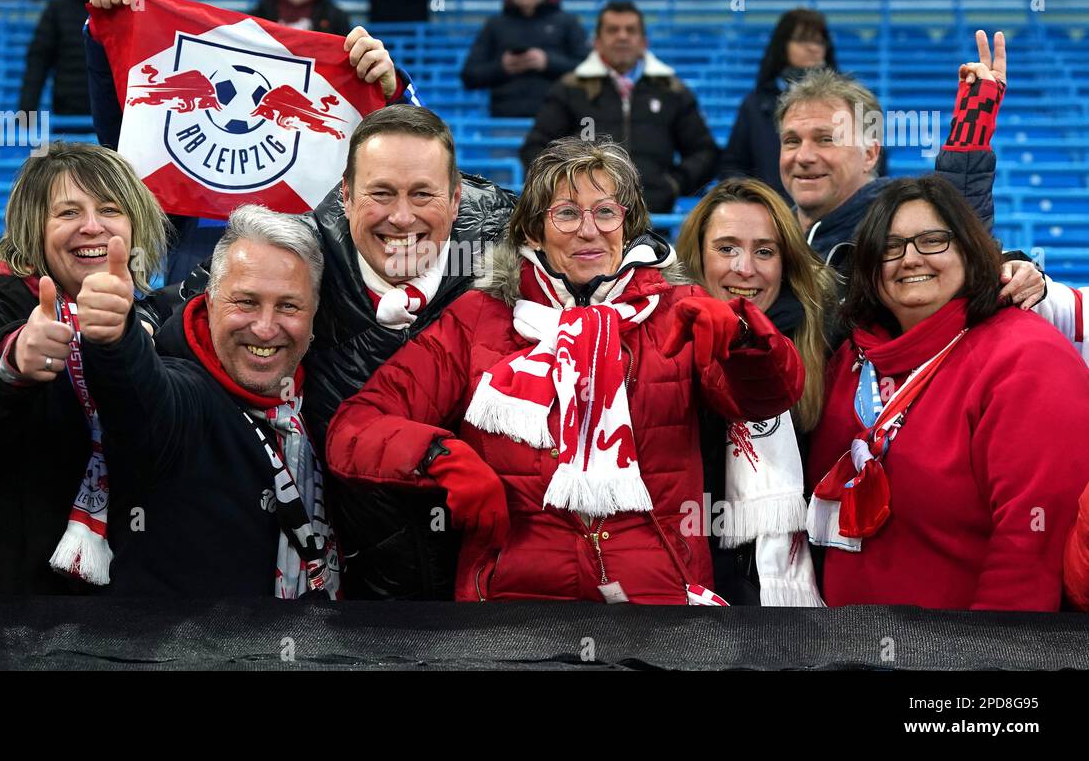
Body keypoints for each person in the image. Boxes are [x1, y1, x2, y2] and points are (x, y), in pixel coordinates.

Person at [326, 138, 805, 604]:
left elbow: (767, 398)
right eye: (567, 213)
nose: (589, 230)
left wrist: (747, 340)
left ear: (627, 224)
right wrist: (439, 457)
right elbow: (354, 428)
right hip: (512, 602)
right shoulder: (477, 319)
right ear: (534, 230)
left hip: (658, 598)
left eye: (606, 212)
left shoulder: (680, 310)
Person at [153, 104, 517, 599]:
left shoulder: (518, 250)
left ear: (456, 200)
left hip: (499, 594)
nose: (402, 216)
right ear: (345, 196)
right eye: (381, 193)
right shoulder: (298, 257)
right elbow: (187, 313)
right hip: (353, 600)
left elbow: (622, 244)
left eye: (423, 194)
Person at [805, 175, 1089, 611]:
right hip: (840, 647)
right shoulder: (851, 356)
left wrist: (990, 661)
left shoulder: (1027, 357)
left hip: (956, 660)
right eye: (890, 246)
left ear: (970, 249)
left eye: (932, 240)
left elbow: (1029, 544)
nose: (910, 259)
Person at [0, 143, 169, 594]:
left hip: (132, 595)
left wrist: (132, 338)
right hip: (12, 599)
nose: (92, 226)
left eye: (110, 209)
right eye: (67, 213)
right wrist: (15, 359)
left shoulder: (156, 315)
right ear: (34, 227)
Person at [77, 205, 340, 599]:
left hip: (305, 649)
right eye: (246, 302)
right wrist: (117, 337)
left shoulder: (324, 392)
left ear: (314, 313)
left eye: (288, 306)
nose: (266, 328)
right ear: (211, 300)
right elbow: (139, 399)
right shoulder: (185, 392)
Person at [83, 0, 408, 284]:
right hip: (186, 310)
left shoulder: (317, 163)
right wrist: (109, 32)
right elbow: (123, 134)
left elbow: (412, 170)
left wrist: (391, 97)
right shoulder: (174, 170)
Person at [676, 177, 835, 605]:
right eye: (726, 248)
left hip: (806, 601)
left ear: (786, 263)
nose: (745, 268)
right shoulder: (662, 345)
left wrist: (1016, 267)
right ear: (696, 257)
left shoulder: (827, 340)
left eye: (764, 251)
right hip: (690, 593)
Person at [779, 31, 1004, 272]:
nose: (803, 157)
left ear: (870, 155)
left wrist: (971, 131)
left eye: (825, 139)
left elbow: (962, 243)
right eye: (792, 140)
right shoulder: (771, 234)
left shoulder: (897, 229)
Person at [520, 1, 719, 214]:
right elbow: (535, 149)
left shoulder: (672, 91)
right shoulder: (569, 88)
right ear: (597, 42)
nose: (622, 36)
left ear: (644, 42)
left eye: (630, 30)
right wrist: (570, 187)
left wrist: (673, 184)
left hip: (653, 220)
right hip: (587, 221)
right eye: (613, 30)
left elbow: (705, 153)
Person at [721, 9, 848, 199]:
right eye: (802, 40)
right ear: (782, 46)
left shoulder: (849, 103)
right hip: (772, 215)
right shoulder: (755, 104)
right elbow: (732, 165)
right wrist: (756, 199)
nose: (813, 48)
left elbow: (874, 160)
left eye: (819, 41)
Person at [460, 0, 590, 118]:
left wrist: (547, 62)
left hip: (556, 120)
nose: (525, 0)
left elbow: (589, 71)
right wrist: (502, 67)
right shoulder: (495, 25)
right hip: (504, 119)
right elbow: (469, 76)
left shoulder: (566, 22)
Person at [19, 0, 117, 117]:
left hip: (116, 112)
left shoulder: (126, 10)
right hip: (69, 111)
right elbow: (38, 61)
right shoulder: (58, 9)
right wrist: (27, 112)